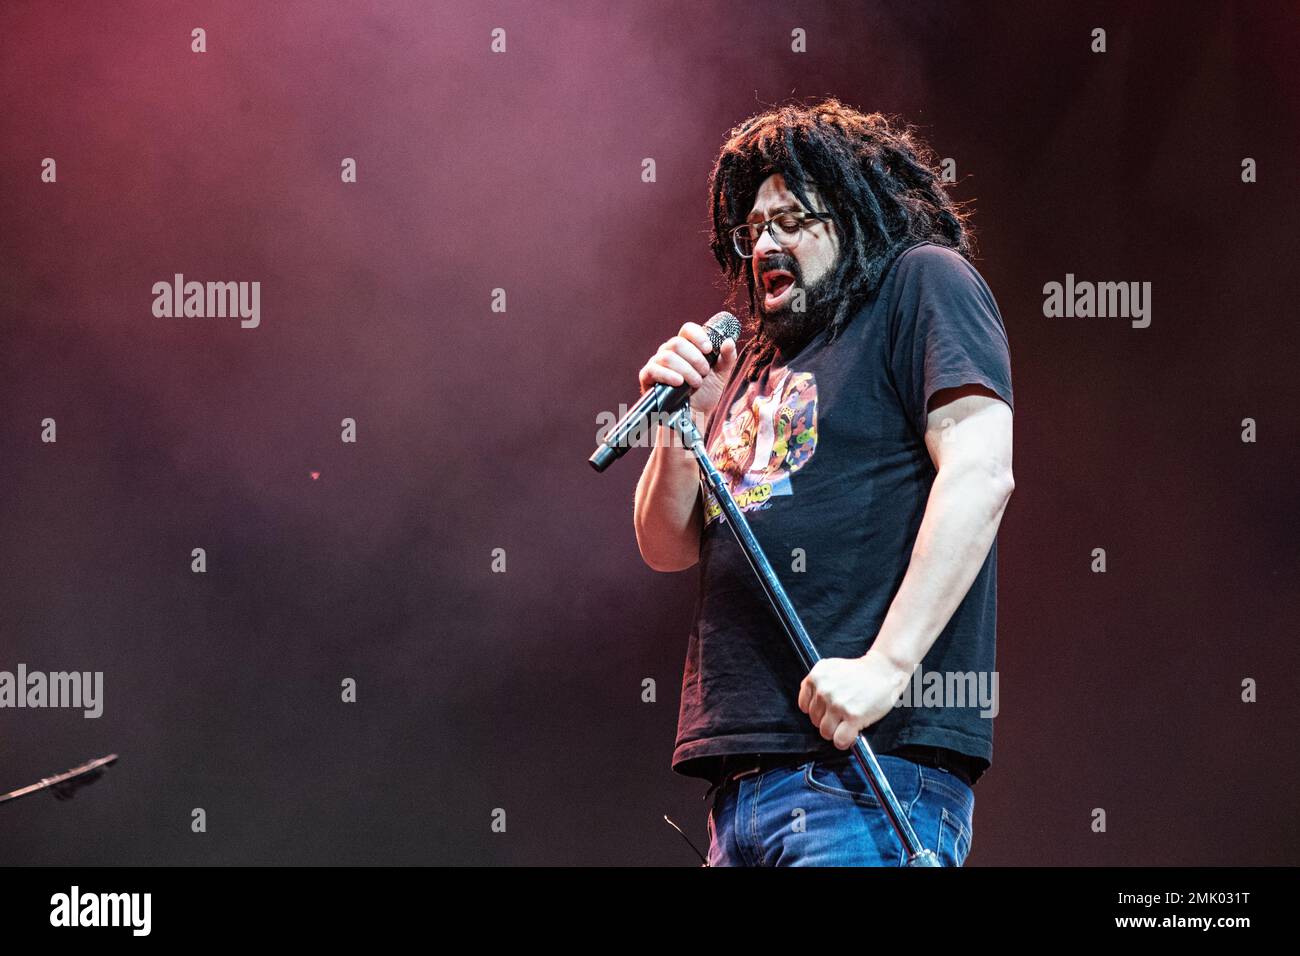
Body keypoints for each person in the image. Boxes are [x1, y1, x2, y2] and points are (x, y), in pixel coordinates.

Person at [632, 98, 1015, 866]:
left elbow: (981, 471)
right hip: (741, 786)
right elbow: (667, 546)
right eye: (752, 230)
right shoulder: (752, 360)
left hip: (867, 774)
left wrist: (886, 667)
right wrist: (682, 424)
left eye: (789, 221)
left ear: (851, 214)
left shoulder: (920, 284)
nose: (764, 244)